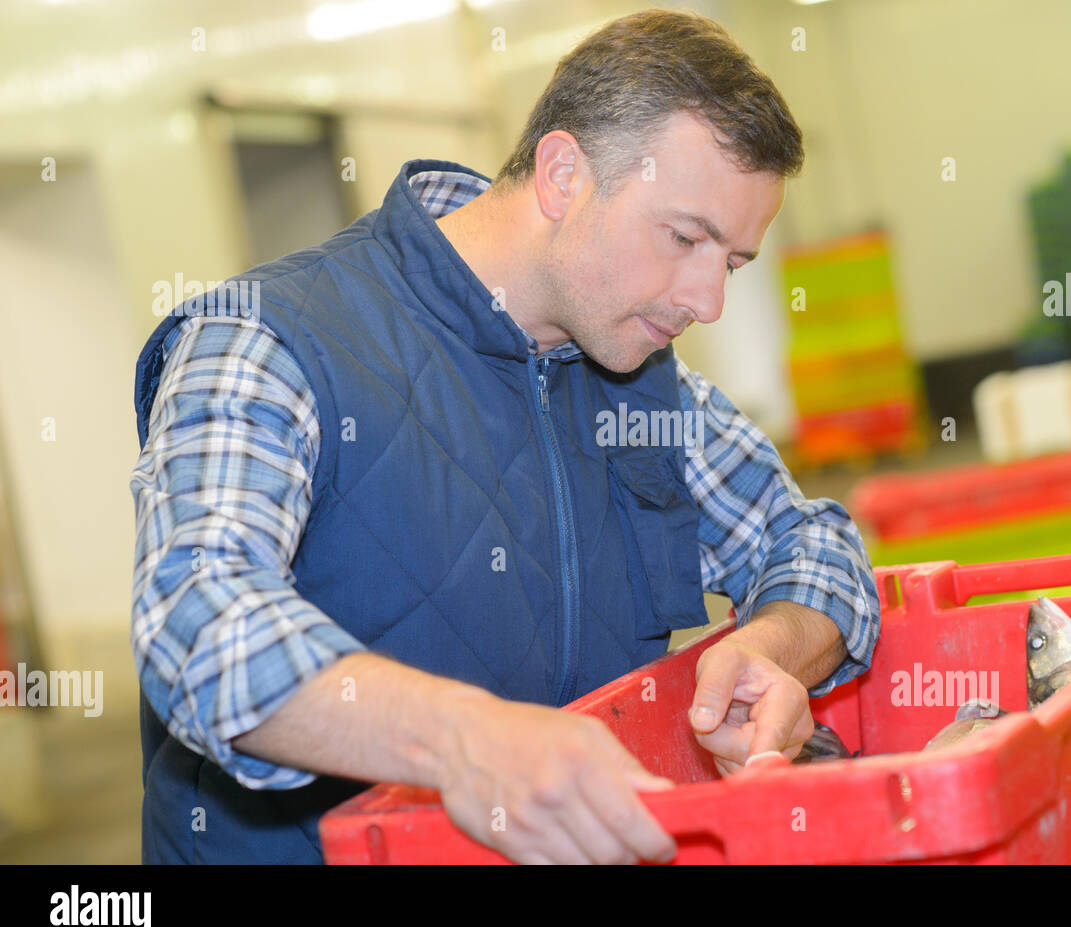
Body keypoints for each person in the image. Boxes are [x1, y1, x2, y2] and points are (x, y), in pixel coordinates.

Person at [130, 8, 879, 865]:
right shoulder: (269, 341)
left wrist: (768, 646)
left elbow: (817, 544)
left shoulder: (640, 385)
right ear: (563, 175)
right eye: (685, 237)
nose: (708, 299)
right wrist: (464, 740)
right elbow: (198, 623)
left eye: (733, 262)